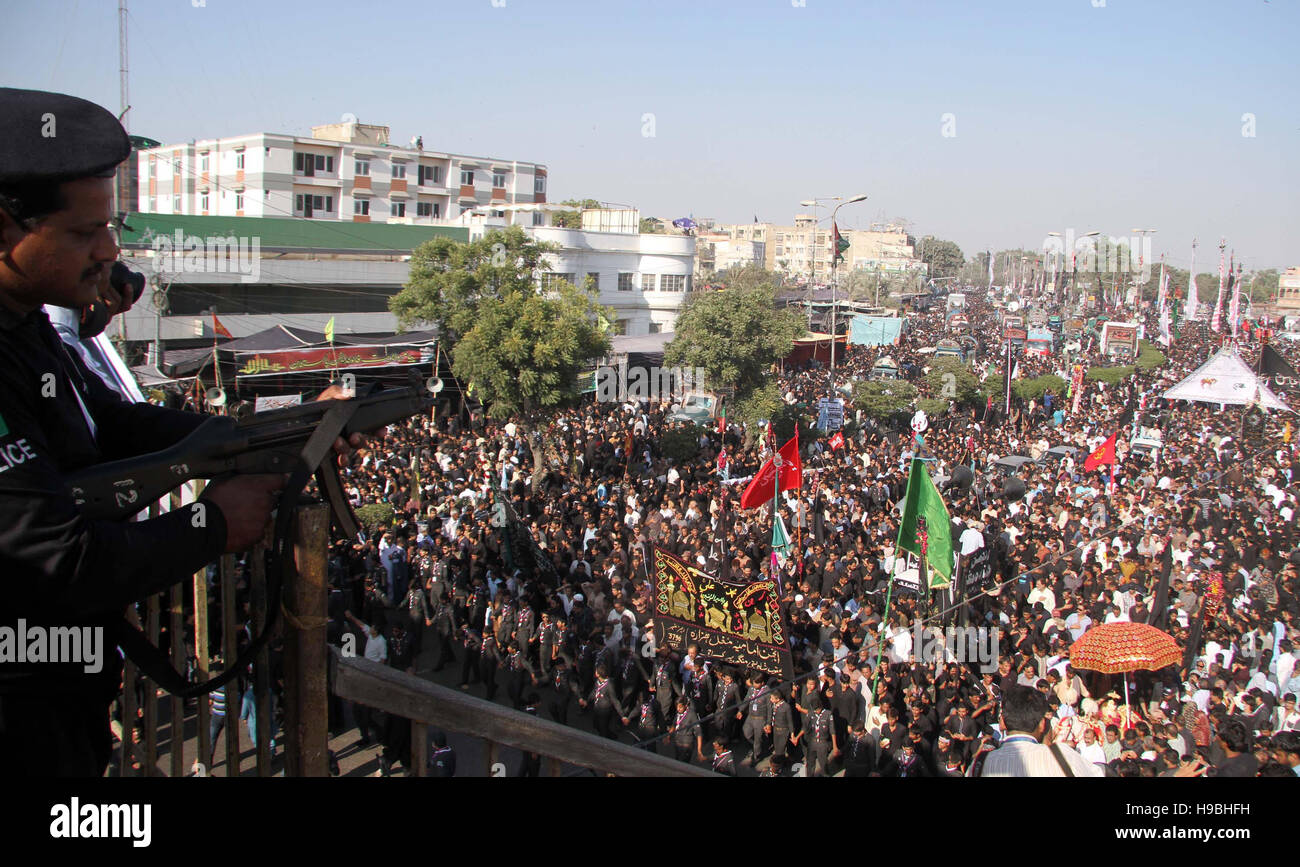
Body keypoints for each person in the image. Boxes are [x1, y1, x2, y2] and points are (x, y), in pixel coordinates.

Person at [0, 89, 371, 776]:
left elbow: (109, 422)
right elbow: (56, 561)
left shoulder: (23, 327)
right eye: (85, 234)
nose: (111, 251)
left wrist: (255, 439)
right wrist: (210, 524)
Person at [979, 686, 1104, 777]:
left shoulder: (980, 764)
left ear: (1003, 723)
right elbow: (1099, 773)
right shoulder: (1061, 756)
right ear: (1042, 724)